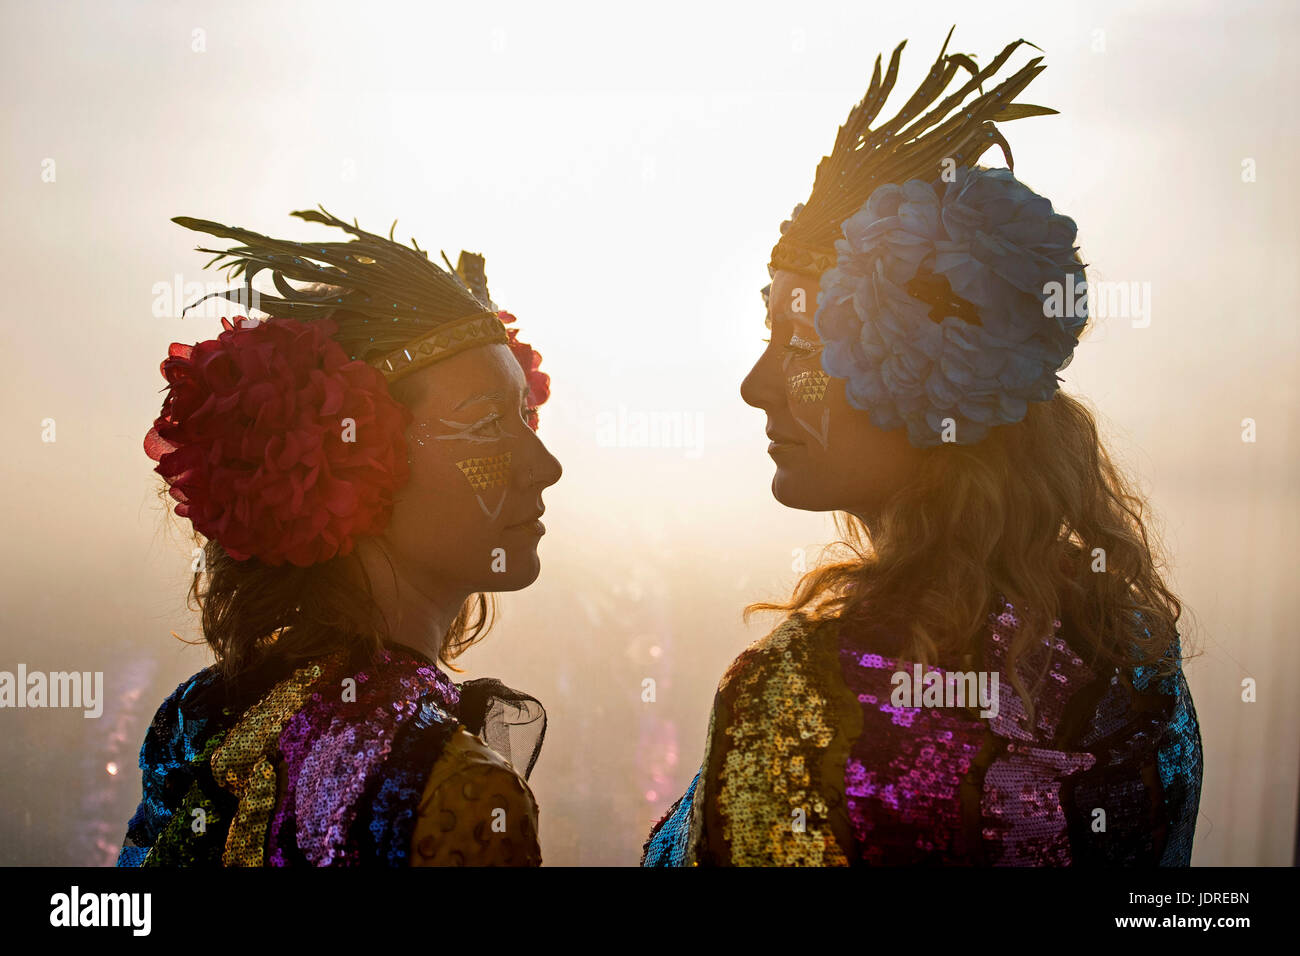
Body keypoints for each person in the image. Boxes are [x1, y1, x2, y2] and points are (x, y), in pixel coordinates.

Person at [643, 30, 1202, 866]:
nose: (756, 386)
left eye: (800, 347)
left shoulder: (808, 692)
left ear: (910, 372)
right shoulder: (1136, 660)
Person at [117, 208, 562, 867]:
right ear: (350, 455)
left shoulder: (200, 716)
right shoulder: (459, 798)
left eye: (524, 416)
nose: (545, 466)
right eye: (484, 425)